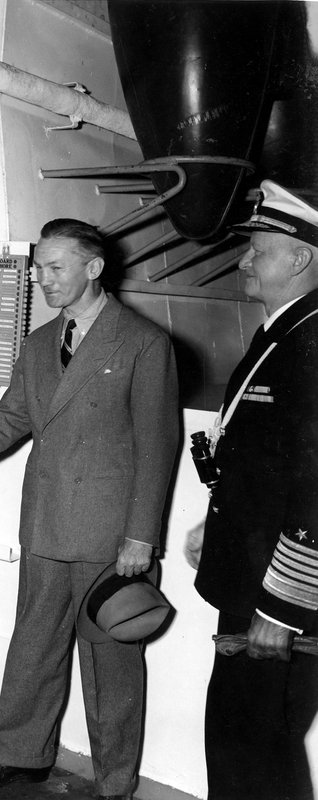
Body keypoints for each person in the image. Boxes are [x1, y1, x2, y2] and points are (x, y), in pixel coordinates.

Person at [0, 219, 179, 799]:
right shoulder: (37, 344)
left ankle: (114, 782)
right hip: (46, 523)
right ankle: (21, 755)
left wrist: (141, 537)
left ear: (94, 268)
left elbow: (159, 446)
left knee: (111, 662)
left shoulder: (142, 342)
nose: (42, 278)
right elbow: (8, 420)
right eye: (38, 267)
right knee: (32, 645)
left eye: (55, 267)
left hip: (110, 538)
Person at [185, 180, 318, 800]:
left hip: (274, 595)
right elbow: (266, 462)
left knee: (255, 748)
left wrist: (283, 608)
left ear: (299, 259)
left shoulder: (311, 342)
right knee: (248, 744)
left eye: (257, 250)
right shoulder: (284, 332)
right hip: (252, 571)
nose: (242, 260)